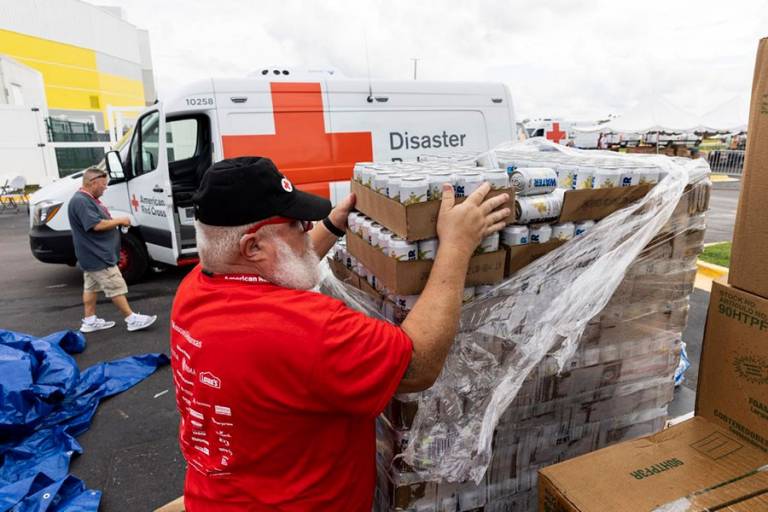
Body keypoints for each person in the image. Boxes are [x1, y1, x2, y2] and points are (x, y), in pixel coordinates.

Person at [170, 156, 510, 511]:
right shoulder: (307, 329)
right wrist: (457, 244)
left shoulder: (197, 288)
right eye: (296, 224)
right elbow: (419, 364)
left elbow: (277, 271)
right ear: (253, 246)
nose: (306, 228)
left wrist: (332, 227)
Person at [67, 167, 157, 333]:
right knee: (115, 286)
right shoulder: (81, 201)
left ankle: (90, 320)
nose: (105, 188)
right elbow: (96, 225)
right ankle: (131, 318)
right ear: (92, 183)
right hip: (98, 255)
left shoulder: (86, 199)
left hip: (90, 255)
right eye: (103, 184)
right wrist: (119, 221)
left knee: (91, 288)